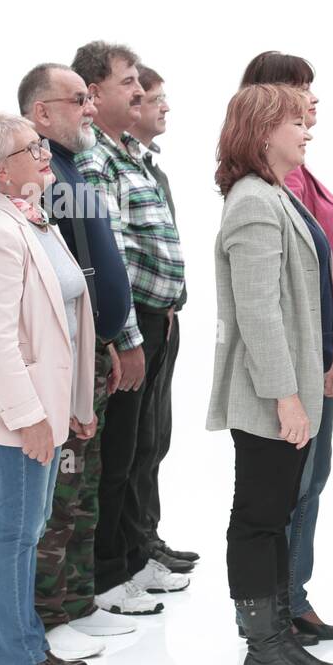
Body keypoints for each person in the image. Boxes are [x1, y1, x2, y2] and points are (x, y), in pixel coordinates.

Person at [207, 83, 333, 665]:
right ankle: (261, 651)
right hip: (269, 396)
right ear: (263, 132)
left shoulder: (272, 195)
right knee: (260, 520)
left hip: (285, 391)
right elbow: (258, 311)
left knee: (273, 513)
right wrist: (286, 395)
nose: (307, 129)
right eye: (296, 122)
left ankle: (279, 641)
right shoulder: (253, 203)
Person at [0, 113, 96, 665]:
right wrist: (30, 417)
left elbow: (63, 320)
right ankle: (14, 660)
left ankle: (31, 641)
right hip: (21, 413)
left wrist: (75, 404)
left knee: (30, 526)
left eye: (40, 146)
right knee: (16, 529)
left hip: (48, 405)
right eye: (29, 148)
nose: (43, 155)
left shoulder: (36, 221)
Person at [17, 63, 145, 653]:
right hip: (63, 358)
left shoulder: (73, 169)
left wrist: (115, 337)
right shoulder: (35, 178)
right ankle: (47, 615)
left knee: (85, 484)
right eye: (77, 100)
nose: (90, 107)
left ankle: (76, 600)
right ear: (42, 112)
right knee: (62, 491)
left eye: (91, 98)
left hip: (92, 350)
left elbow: (98, 259)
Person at [240, 51, 333, 642]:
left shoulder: (300, 175)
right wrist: (324, 351)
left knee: (310, 478)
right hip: (299, 357)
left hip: (319, 348)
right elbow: (273, 296)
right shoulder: (268, 189)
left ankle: (291, 595)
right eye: (295, 89)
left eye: (310, 87)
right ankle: (280, 605)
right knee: (292, 484)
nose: (310, 100)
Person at [71, 41, 190, 608]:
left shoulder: (127, 153)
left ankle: (133, 561)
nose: (140, 93)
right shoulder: (96, 159)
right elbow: (109, 252)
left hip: (150, 319)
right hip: (131, 321)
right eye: (128, 83)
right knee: (116, 458)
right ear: (93, 94)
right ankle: (109, 579)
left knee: (139, 447)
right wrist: (128, 338)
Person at [130, 63, 198, 574]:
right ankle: (132, 548)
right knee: (134, 440)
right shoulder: (106, 168)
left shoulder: (154, 169)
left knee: (156, 434)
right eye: (153, 98)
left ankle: (147, 535)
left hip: (165, 318)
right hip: (136, 322)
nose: (163, 106)